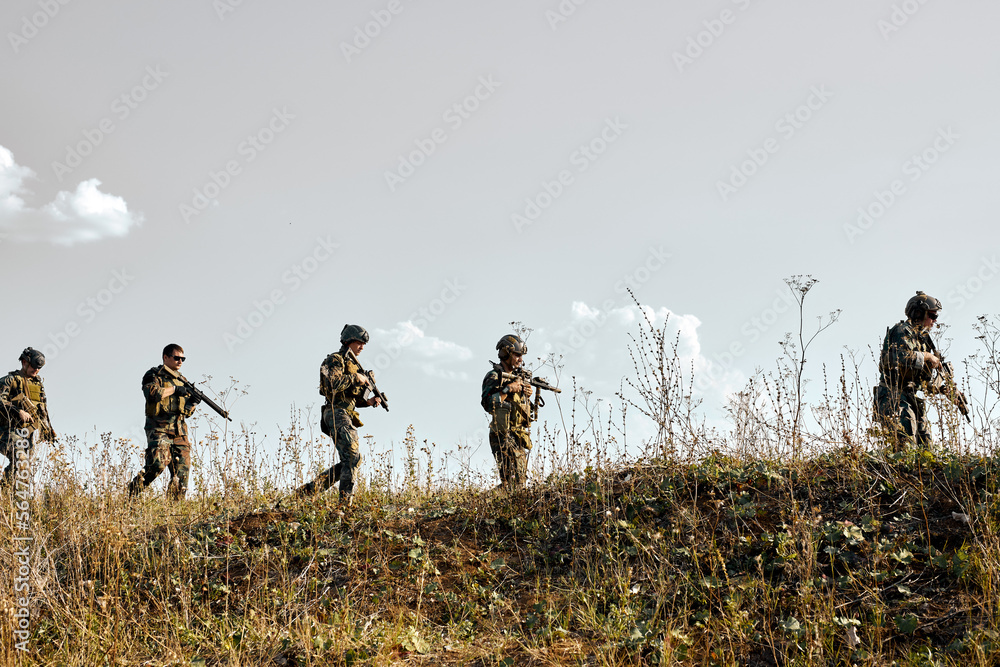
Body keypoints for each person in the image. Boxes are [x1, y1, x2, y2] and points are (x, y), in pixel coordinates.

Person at [297, 325, 381, 502]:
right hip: (335, 412)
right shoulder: (334, 360)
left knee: (350, 461)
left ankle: (307, 492)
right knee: (352, 457)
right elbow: (333, 384)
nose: (362, 347)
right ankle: (344, 505)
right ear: (349, 341)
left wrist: (369, 401)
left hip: (345, 413)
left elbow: (352, 398)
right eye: (359, 342)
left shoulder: (353, 365)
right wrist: (355, 378)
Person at [874, 291, 952, 449]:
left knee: (926, 447)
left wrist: (944, 389)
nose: (934, 321)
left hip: (910, 398)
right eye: (932, 315)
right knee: (903, 448)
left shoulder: (921, 340)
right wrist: (927, 356)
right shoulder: (902, 331)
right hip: (893, 396)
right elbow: (897, 358)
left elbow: (923, 382)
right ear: (918, 313)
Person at [127, 344, 202, 500]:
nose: (180, 361)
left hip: (180, 432)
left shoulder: (183, 381)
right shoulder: (154, 374)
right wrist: (175, 389)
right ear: (165, 357)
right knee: (157, 464)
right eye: (176, 358)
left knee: (182, 473)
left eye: (183, 358)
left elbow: (186, 412)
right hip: (159, 429)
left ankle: (173, 511)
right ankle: (133, 491)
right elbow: (152, 394)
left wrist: (193, 403)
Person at [481, 334, 534, 488]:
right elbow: (488, 404)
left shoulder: (518, 377)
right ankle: (484, 505)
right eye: (517, 355)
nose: (520, 359)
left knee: (519, 483)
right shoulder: (494, 376)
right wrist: (508, 389)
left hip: (518, 434)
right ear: (506, 353)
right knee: (510, 483)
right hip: (502, 435)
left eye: (521, 356)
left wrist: (526, 394)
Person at [0, 348, 56, 488]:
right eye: (34, 367)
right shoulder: (9, 380)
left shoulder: (37, 384)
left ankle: (9, 497)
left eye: (39, 368)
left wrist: (47, 429)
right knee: (20, 459)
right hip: (6, 430)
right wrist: (17, 411)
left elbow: (42, 408)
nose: (36, 371)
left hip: (26, 433)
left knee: (24, 468)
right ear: (24, 362)